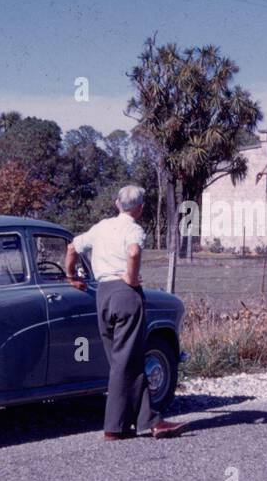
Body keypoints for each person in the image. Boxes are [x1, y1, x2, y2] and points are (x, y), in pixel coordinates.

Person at [65, 185, 185, 441]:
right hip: (125, 296)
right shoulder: (134, 229)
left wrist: (71, 276)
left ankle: (150, 421)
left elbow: (72, 248)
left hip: (102, 295)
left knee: (124, 360)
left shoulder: (100, 228)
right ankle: (114, 427)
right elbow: (133, 251)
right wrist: (130, 278)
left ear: (117, 204)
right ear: (140, 208)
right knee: (126, 361)